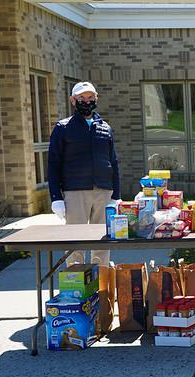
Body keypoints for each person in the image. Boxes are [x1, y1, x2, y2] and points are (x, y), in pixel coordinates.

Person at [48, 81, 120, 266]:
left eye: (90, 98)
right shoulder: (62, 128)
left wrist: (116, 196)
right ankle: (75, 287)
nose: (86, 101)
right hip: (75, 192)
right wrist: (56, 197)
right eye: (81, 98)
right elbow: (53, 164)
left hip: (103, 192)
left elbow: (113, 162)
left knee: (103, 241)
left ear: (96, 99)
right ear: (73, 101)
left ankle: (101, 286)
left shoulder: (105, 128)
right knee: (75, 241)